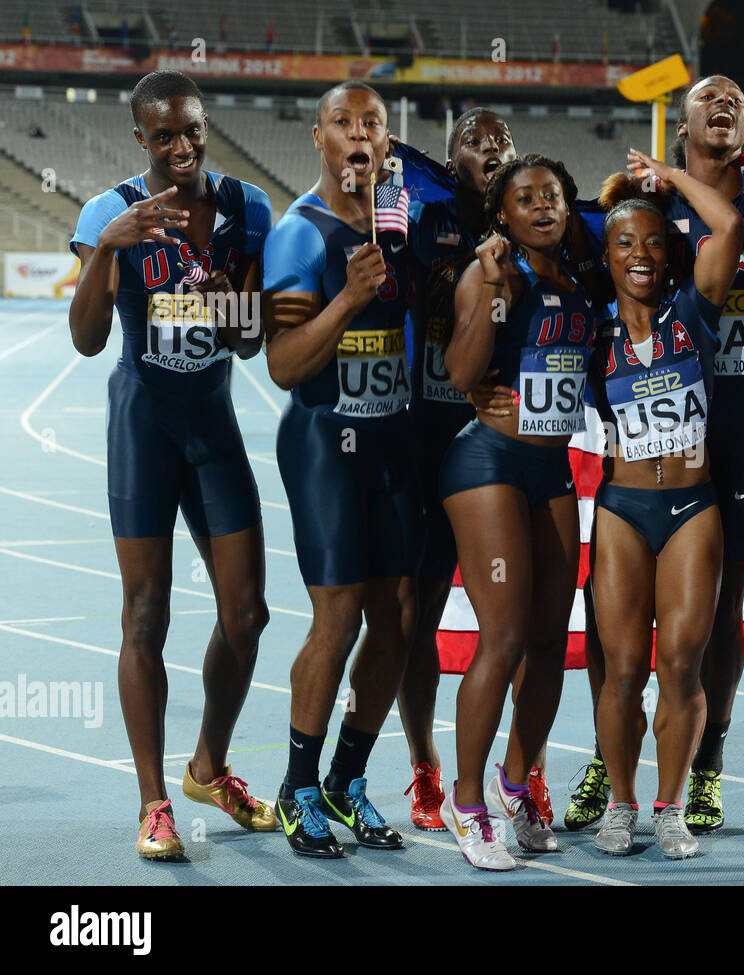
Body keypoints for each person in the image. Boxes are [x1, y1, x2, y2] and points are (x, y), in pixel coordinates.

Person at [565, 75, 744, 834]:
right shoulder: (638, 214)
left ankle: (705, 764)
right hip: (636, 460)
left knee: (718, 618)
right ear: (680, 124)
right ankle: (604, 762)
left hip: (733, 441)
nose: (727, 106)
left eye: (740, 101)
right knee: (610, 624)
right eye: (710, 98)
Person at [67, 69, 273, 861]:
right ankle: (154, 800)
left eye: (193, 131)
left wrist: (228, 303)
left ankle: (209, 767)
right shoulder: (107, 212)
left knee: (246, 613)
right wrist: (104, 254)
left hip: (212, 422)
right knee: (145, 613)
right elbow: (87, 340)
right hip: (143, 425)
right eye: (165, 136)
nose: (182, 148)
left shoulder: (246, 209)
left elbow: (248, 341)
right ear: (140, 139)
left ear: (204, 125)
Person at [262, 81, 415, 859]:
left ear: (386, 143)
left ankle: (346, 779)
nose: (359, 136)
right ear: (319, 138)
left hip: (391, 446)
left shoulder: (399, 226)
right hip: (327, 445)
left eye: (373, 124)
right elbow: (283, 364)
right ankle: (295, 784)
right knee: (340, 614)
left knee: (397, 618)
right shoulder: (298, 234)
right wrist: (350, 299)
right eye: (343, 124)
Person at [439, 153, 597, 871]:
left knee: (548, 641)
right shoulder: (491, 274)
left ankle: (516, 779)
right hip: (488, 465)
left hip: (551, 469)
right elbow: (462, 375)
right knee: (501, 636)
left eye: (553, 196)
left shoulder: (581, 278)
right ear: (501, 213)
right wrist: (495, 290)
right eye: (524, 197)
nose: (542, 206)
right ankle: (466, 803)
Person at [586, 151, 741, 859]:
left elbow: (730, 225)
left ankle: (670, 806)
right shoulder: (593, 334)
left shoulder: (693, 312)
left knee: (681, 663)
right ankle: (620, 803)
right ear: (607, 258)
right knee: (623, 669)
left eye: (653, 241)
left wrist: (672, 180)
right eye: (623, 243)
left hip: (691, 508)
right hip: (621, 507)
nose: (640, 254)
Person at [399, 108, 516, 831]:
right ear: (452, 160)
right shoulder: (422, 218)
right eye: (474, 139)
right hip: (426, 437)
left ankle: (517, 772)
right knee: (417, 619)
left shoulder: (538, 223)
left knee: (518, 616)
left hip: (503, 446)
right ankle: (424, 767)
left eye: (500, 138)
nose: (491, 147)